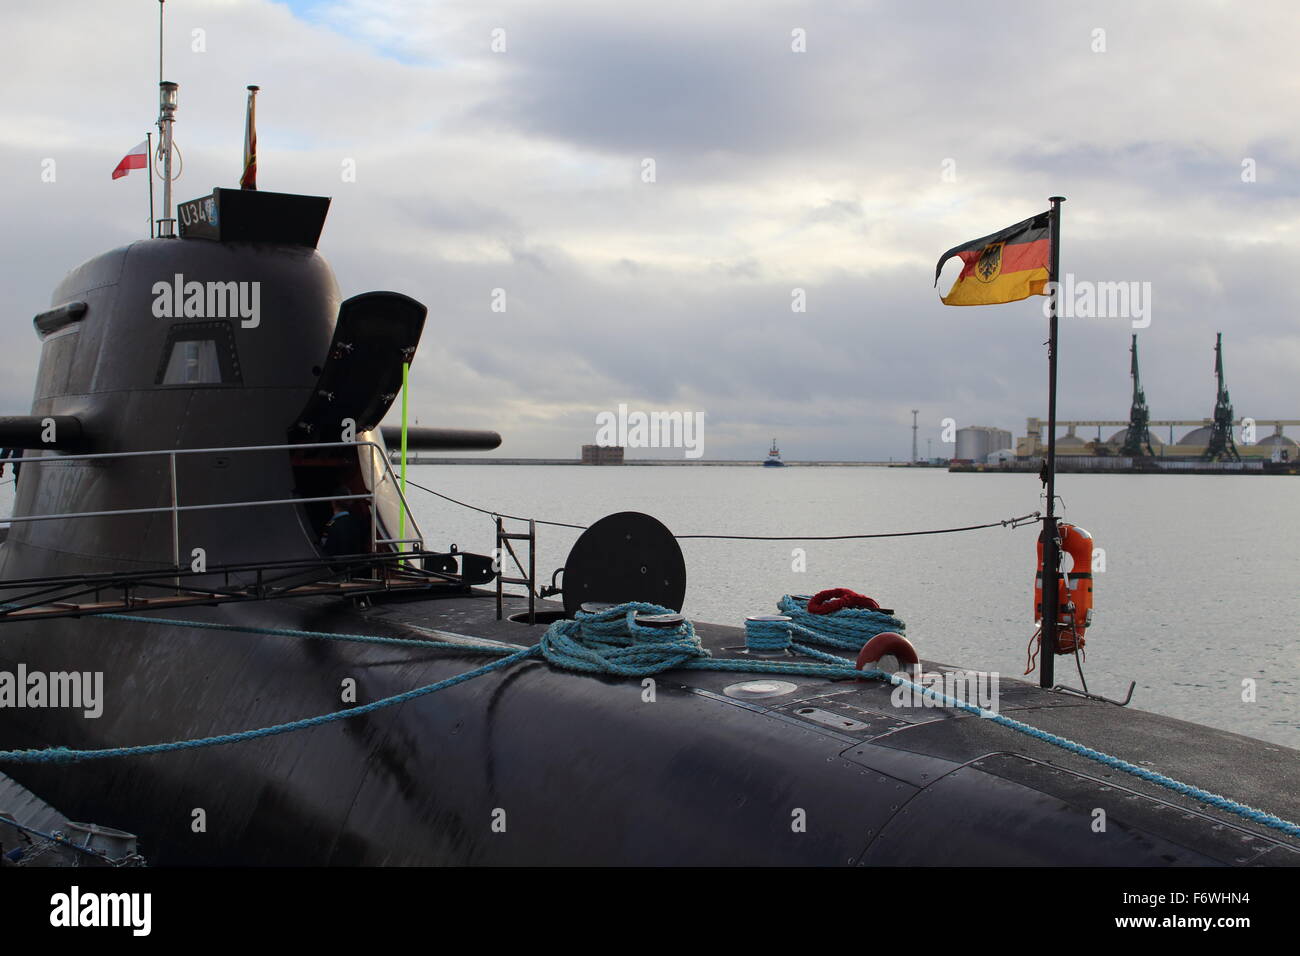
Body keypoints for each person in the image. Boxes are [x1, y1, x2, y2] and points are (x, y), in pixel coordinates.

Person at [320, 487, 366, 562]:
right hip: (354, 568)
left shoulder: (332, 526)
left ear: (333, 502)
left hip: (336, 570)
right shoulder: (358, 523)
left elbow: (325, 551)